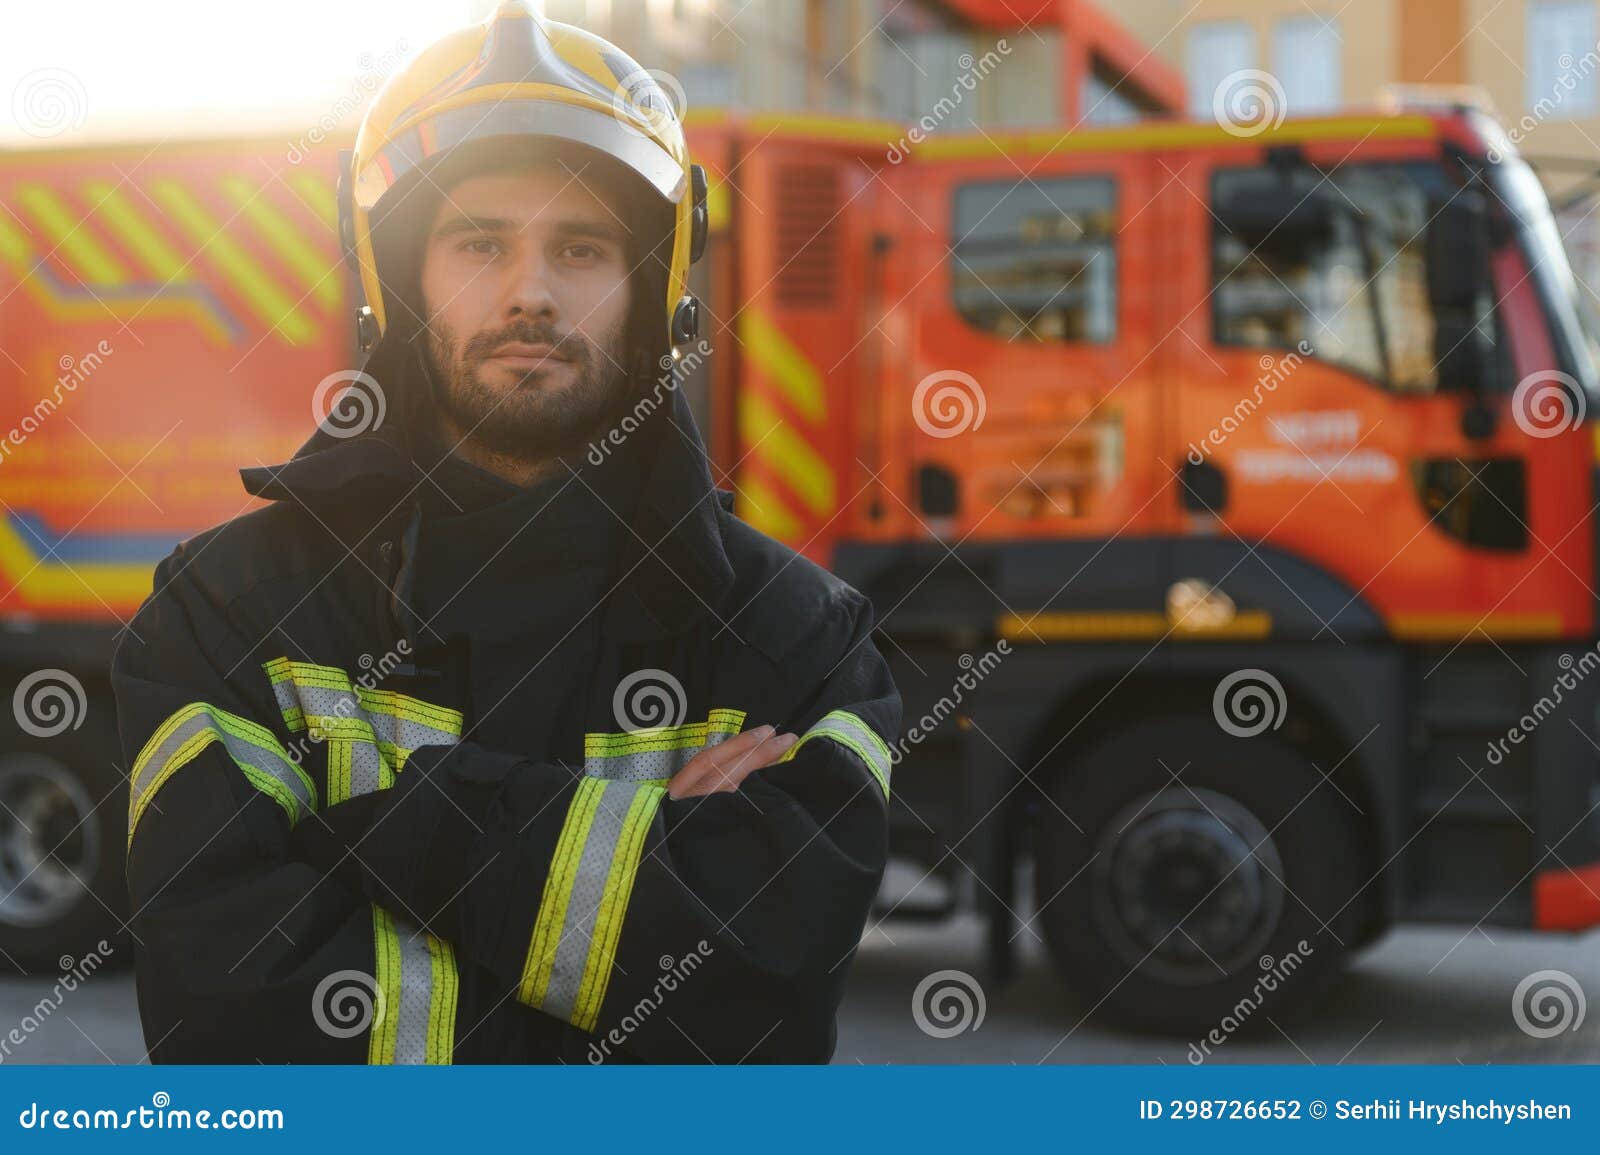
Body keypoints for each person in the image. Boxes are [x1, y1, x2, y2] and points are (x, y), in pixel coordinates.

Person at [111, 0, 900, 1064]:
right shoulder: (222, 613)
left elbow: (763, 1002)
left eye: (579, 247)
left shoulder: (799, 638)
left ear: (655, 285)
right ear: (401, 281)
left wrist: (389, 830)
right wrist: (639, 894)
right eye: (479, 244)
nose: (529, 294)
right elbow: (234, 1030)